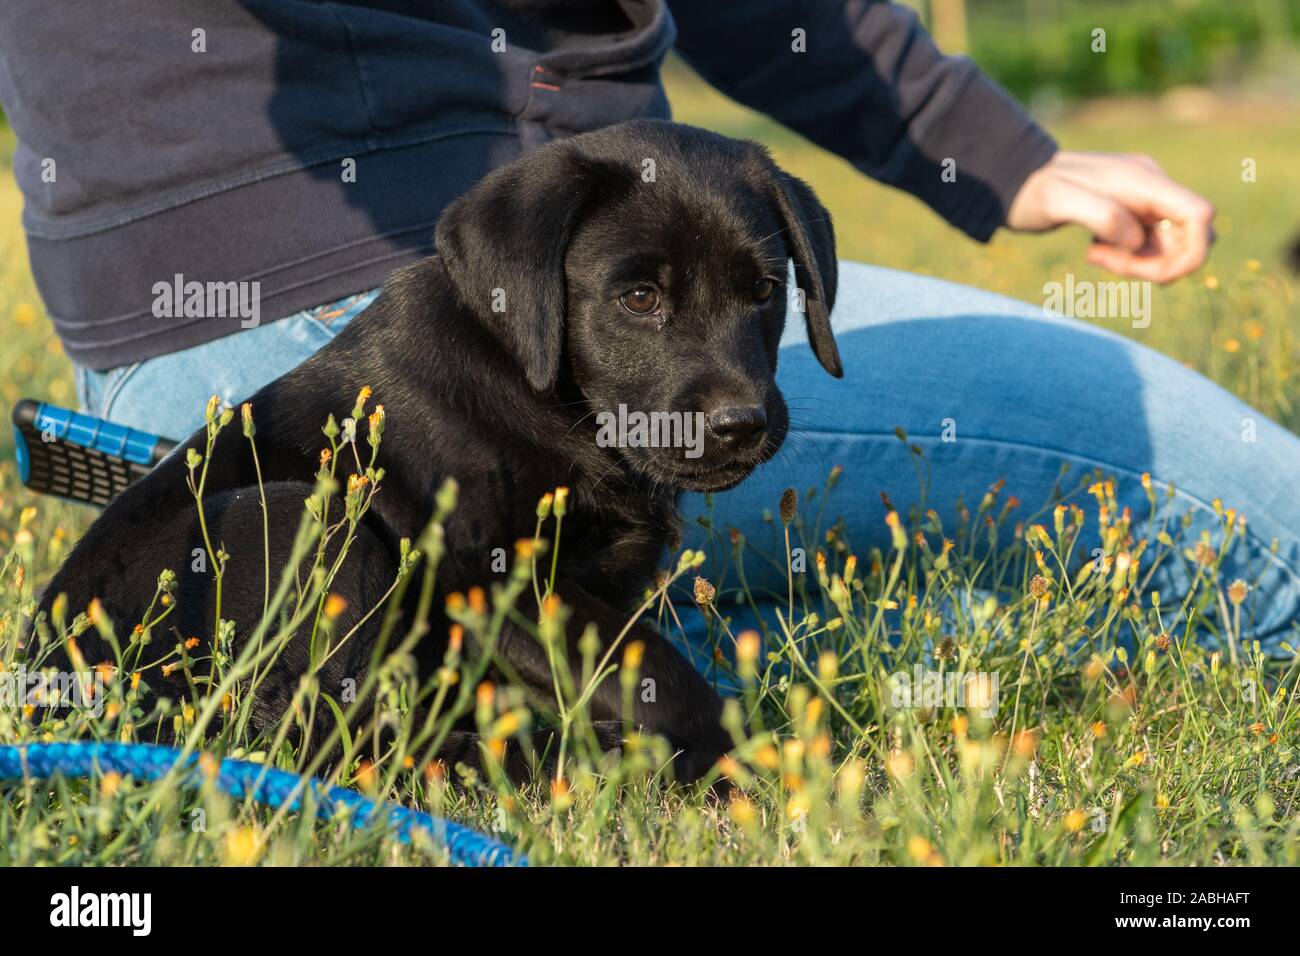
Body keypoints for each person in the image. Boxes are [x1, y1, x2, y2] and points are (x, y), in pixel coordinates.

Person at [2, 2, 1294, 643]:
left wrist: (992, 152)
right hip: (388, 318)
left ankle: (356, 603)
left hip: (178, 362)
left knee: (938, 615)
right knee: (1257, 513)